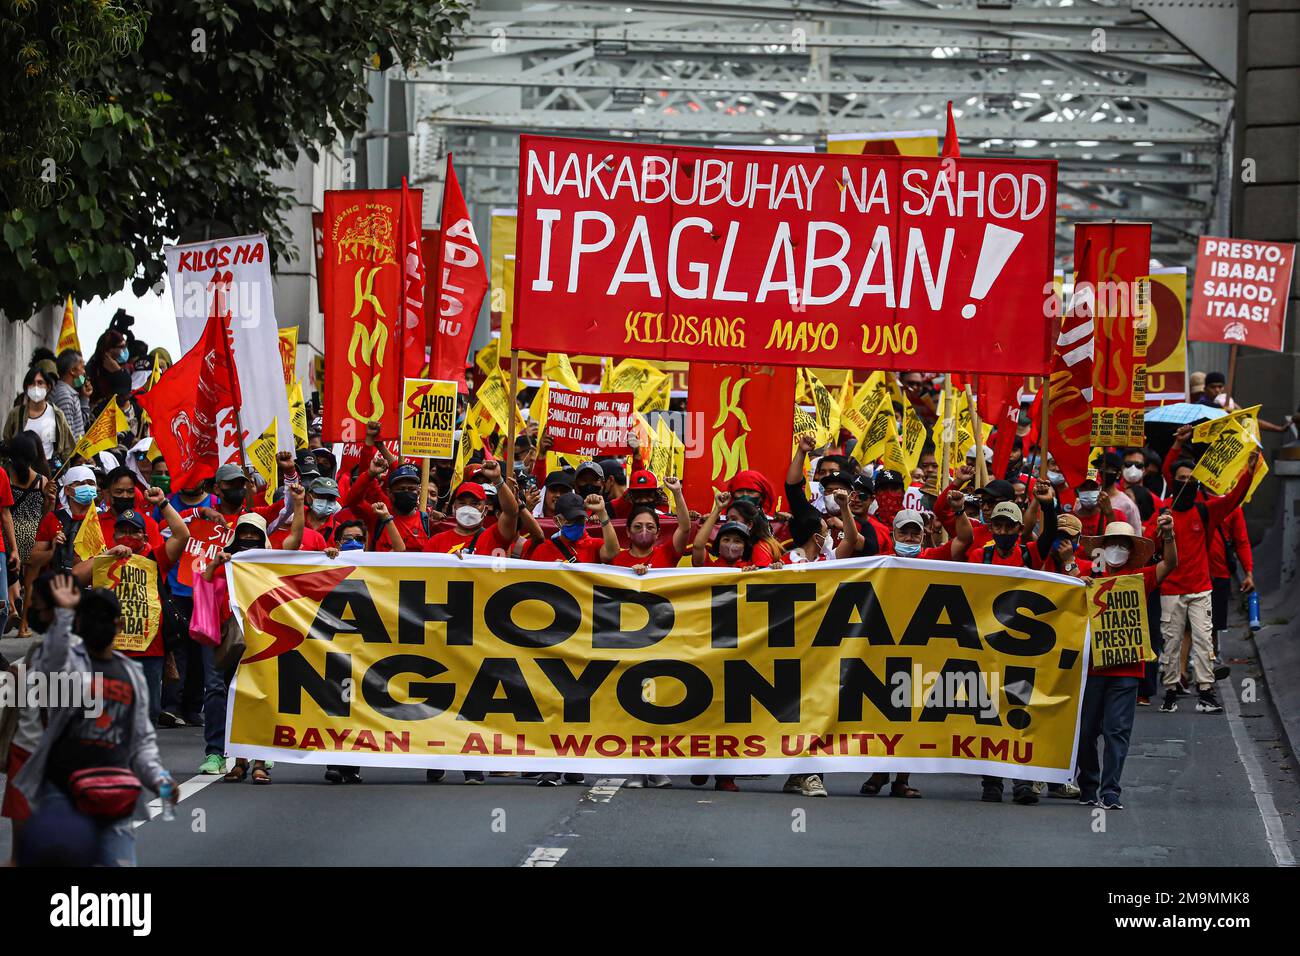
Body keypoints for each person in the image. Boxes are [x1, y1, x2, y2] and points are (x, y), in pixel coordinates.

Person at [12, 575, 176, 867]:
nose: (97, 622)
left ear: (119, 625)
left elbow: (141, 740)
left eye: (104, 617)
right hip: (64, 793)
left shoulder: (132, 674)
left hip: (114, 795)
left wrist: (159, 779)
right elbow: (52, 663)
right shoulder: (68, 662)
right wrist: (63, 614)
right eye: (90, 616)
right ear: (78, 623)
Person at [859, 499, 974, 801]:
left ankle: (899, 779)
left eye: (915, 534)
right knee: (883, 714)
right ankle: (879, 772)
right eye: (904, 533)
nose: (909, 539)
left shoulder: (933, 557)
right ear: (894, 534)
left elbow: (964, 539)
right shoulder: (879, 563)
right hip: (884, 648)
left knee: (911, 715)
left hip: (922, 649)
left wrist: (959, 511)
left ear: (923, 536)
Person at [1073, 515, 1177, 810]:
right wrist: (1076, 585)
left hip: (1126, 669)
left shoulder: (1140, 578)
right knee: (1086, 731)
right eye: (1112, 544)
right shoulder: (1086, 575)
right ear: (1102, 548)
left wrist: (1168, 536)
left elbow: (1170, 564)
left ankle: (1110, 791)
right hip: (1090, 668)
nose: (1117, 549)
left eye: (1122, 545)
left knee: (1117, 731)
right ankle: (1088, 786)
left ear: (1131, 551)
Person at [1150, 434, 1259, 714]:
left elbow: (1235, 498)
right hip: (1171, 590)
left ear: (1197, 482)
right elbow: (1147, 543)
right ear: (1173, 480)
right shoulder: (1163, 514)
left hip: (1200, 589)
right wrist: (1158, 531)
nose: (1186, 482)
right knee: (1171, 643)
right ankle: (1171, 690)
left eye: (1190, 478)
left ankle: (1206, 692)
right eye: (1181, 478)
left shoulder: (1206, 511)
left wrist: (1250, 470)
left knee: (1203, 641)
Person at [424, 460, 518, 556]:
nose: (468, 507)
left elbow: (511, 513)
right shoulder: (436, 542)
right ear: (454, 508)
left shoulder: (495, 537)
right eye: (462, 503)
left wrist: (498, 480)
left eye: (474, 504)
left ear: (485, 510)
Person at [612, 475, 689, 573]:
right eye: (638, 526)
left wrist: (677, 492)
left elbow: (684, 528)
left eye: (650, 527)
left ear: (657, 532)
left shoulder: (667, 553)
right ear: (628, 531)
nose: (644, 531)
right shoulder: (615, 559)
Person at [4, 366, 74, 467]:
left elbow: (68, 447)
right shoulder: (16, 414)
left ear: (48, 387)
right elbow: (7, 440)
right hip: (23, 471)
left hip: (49, 470)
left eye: (40, 383)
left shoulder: (57, 415)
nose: (36, 387)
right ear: (26, 388)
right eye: (32, 383)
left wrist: (62, 469)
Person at [524, 492, 619, 564]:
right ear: (557, 521)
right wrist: (551, 571)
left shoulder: (594, 545)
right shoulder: (543, 550)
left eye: (580, 520)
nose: (576, 524)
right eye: (570, 520)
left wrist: (602, 512)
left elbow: (612, 552)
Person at [51, 349, 89, 442]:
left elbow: (78, 425)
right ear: (72, 371)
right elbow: (67, 439)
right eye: (82, 367)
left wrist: (85, 397)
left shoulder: (70, 393)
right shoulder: (65, 397)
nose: (84, 372)